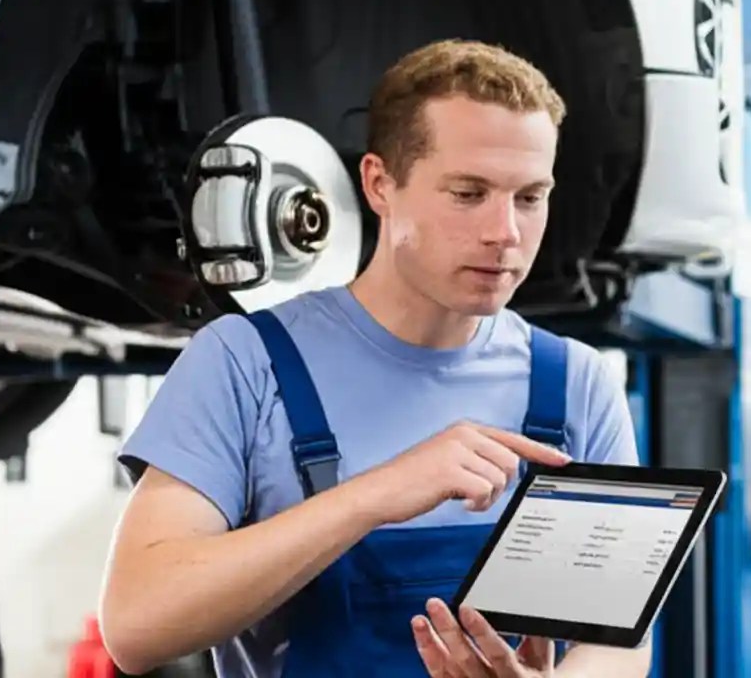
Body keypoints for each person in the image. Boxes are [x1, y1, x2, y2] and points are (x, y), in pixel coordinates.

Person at [98, 39, 651, 678]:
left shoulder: (576, 383)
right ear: (380, 185)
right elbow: (138, 625)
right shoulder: (245, 364)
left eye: (529, 197)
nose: (505, 232)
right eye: (468, 193)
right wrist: (378, 494)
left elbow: (619, 641)